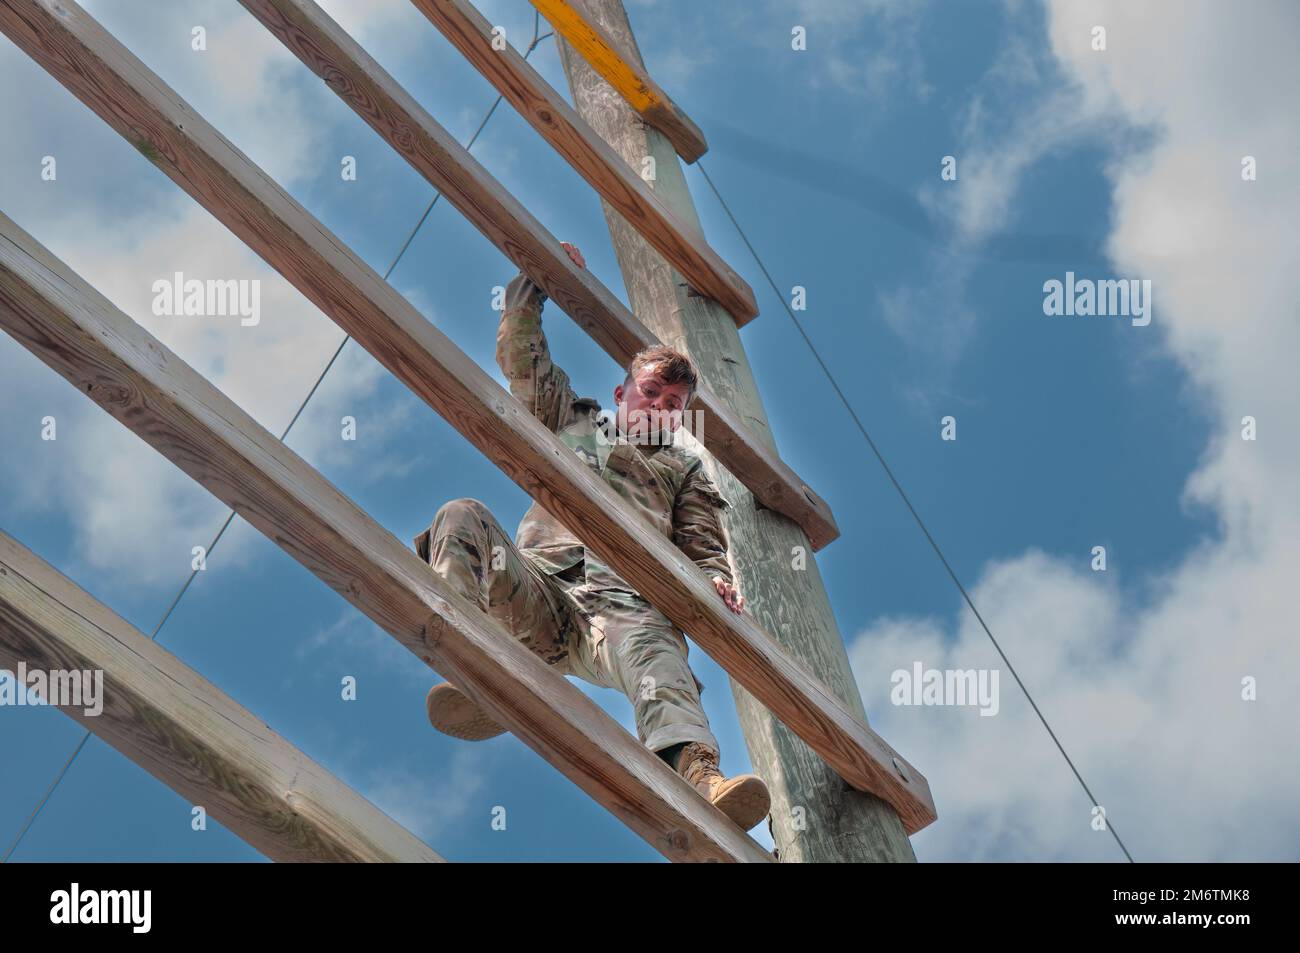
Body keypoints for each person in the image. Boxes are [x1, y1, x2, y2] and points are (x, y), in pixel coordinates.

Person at [413, 242, 771, 831]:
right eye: (651, 393)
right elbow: (521, 359)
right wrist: (539, 280)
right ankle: (470, 660)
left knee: (654, 647)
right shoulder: (571, 419)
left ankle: (697, 773)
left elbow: (704, 542)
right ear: (622, 394)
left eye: (674, 404)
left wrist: (716, 579)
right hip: (538, 587)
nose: (660, 407)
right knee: (461, 514)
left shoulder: (681, 471)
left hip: (617, 607)